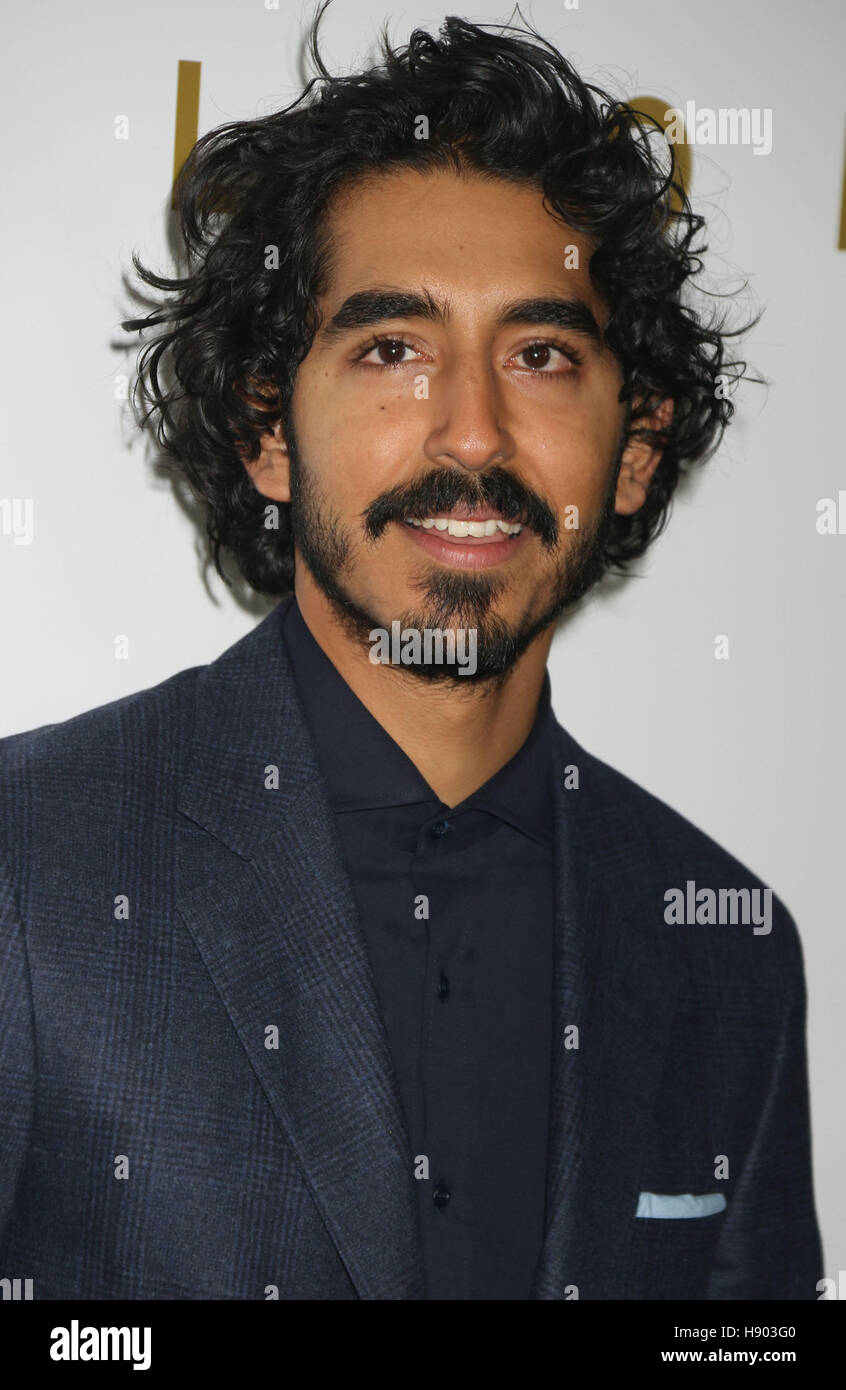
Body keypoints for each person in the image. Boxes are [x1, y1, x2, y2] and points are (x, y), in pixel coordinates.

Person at [0, 5, 823, 1299]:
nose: (475, 436)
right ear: (270, 428)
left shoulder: (726, 949)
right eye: (393, 348)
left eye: (542, 354)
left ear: (636, 449)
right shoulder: (29, 859)